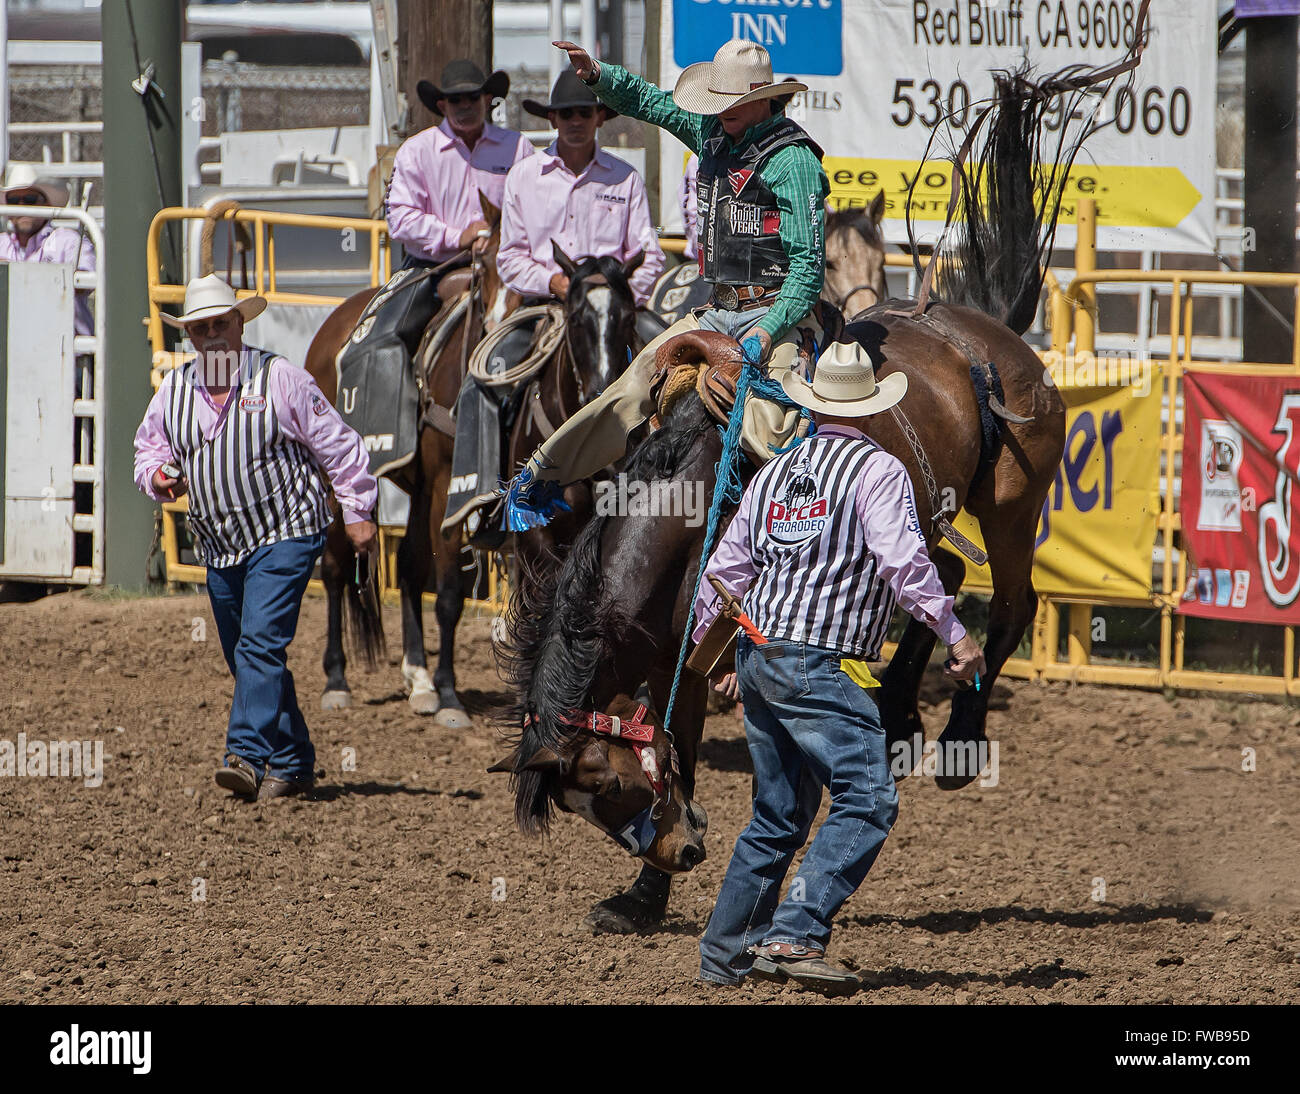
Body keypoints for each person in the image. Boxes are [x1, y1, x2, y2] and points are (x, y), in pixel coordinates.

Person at [691, 341, 987, 995]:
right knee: (868, 796)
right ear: (872, 408)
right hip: (818, 662)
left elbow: (727, 568)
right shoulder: (879, 472)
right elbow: (903, 565)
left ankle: (724, 958)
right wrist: (956, 637)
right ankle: (794, 934)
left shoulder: (776, 470)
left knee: (777, 814)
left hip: (759, 651)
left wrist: (713, 655)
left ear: (816, 404)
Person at [503, 38, 830, 527]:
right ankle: (542, 475)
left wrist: (768, 330)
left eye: (735, 104)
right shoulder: (712, 132)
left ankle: (805, 528)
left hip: (776, 315)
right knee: (633, 382)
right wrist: (598, 76)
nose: (724, 113)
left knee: (777, 427)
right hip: (718, 310)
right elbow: (651, 103)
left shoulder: (795, 161)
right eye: (720, 103)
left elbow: (808, 269)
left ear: (765, 99)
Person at [133, 275, 378, 801]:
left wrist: (358, 510)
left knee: (259, 644)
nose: (213, 334)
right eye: (202, 327)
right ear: (191, 336)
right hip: (221, 543)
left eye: (221, 323)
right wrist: (157, 477)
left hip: (287, 529)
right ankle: (292, 761)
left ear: (240, 324)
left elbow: (337, 444)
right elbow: (147, 452)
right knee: (247, 656)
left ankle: (245, 756)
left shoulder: (281, 378)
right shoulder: (174, 391)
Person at [443, 71, 666, 536]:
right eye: (566, 114)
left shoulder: (624, 178)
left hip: (611, 310)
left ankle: (669, 495)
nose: (575, 122)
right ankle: (484, 498)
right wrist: (559, 284)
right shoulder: (525, 176)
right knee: (485, 377)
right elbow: (511, 257)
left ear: (599, 117)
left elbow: (650, 254)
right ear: (553, 119)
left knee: (674, 372)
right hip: (546, 306)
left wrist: (620, 301)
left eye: (584, 112)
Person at [385, 59, 534, 274]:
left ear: (487, 100)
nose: (465, 106)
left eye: (473, 97)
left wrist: (496, 240)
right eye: (456, 100)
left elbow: (533, 209)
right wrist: (458, 237)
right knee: (391, 308)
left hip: (504, 268)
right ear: (442, 106)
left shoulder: (517, 147)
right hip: (431, 269)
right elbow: (400, 219)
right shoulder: (417, 151)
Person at [1, 164, 95, 337]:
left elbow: (86, 280)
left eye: (30, 199)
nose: (22, 207)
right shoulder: (1, 244)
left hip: (63, 349)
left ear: (46, 204)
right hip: (12, 345)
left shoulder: (67, 241)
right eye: (14, 201)